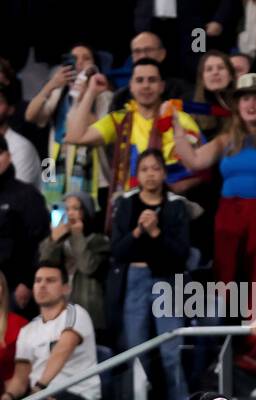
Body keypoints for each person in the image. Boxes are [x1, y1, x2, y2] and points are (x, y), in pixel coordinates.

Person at [168, 74, 256, 338]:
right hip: (229, 217)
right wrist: (177, 131)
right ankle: (230, 347)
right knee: (228, 281)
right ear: (237, 105)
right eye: (245, 98)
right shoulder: (225, 139)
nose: (251, 104)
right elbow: (195, 161)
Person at [107, 148, 192, 400]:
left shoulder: (175, 206)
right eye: (144, 169)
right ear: (137, 174)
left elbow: (181, 255)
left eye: (156, 168)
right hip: (134, 281)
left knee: (172, 353)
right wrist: (139, 231)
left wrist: (156, 233)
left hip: (166, 281)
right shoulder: (126, 204)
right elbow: (117, 250)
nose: (151, 174)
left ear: (164, 173)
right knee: (137, 356)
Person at [1, 263, 101, 400]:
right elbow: (21, 376)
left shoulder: (75, 313)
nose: (42, 286)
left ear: (66, 288)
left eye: (50, 280)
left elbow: (62, 351)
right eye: (38, 281)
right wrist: (8, 397)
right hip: (41, 397)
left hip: (78, 395)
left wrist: (40, 387)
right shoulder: (28, 330)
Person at [64, 59, 203, 202]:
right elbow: (75, 137)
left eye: (152, 80)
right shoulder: (120, 120)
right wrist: (91, 92)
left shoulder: (180, 120)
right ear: (131, 86)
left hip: (173, 205)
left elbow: (203, 170)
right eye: (139, 80)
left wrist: (172, 190)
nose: (146, 86)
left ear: (162, 86)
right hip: (131, 205)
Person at [23, 44, 114, 200]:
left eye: (86, 58)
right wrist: (51, 85)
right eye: (74, 58)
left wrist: (86, 94)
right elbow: (30, 116)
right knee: (53, 213)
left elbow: (99, 131)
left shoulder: (105, 96)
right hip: (53, 166)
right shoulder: (59, 91)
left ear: (95, 66)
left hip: (95, 177)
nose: (80, 62)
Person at [38, 192, 110, 338]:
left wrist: (77, 236)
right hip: (59, 309)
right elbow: (45, 264)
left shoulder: (99, 240)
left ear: (86, 212)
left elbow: (87, 267)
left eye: (75, 208)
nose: (70, 213)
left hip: (88, 309)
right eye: (66, 208)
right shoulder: (59, 240)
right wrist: (53, 239)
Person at [0, 134, 49, 316]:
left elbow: (41, 242)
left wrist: (27, 282)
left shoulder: (27, 195)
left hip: (15, 289)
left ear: (8, 156)